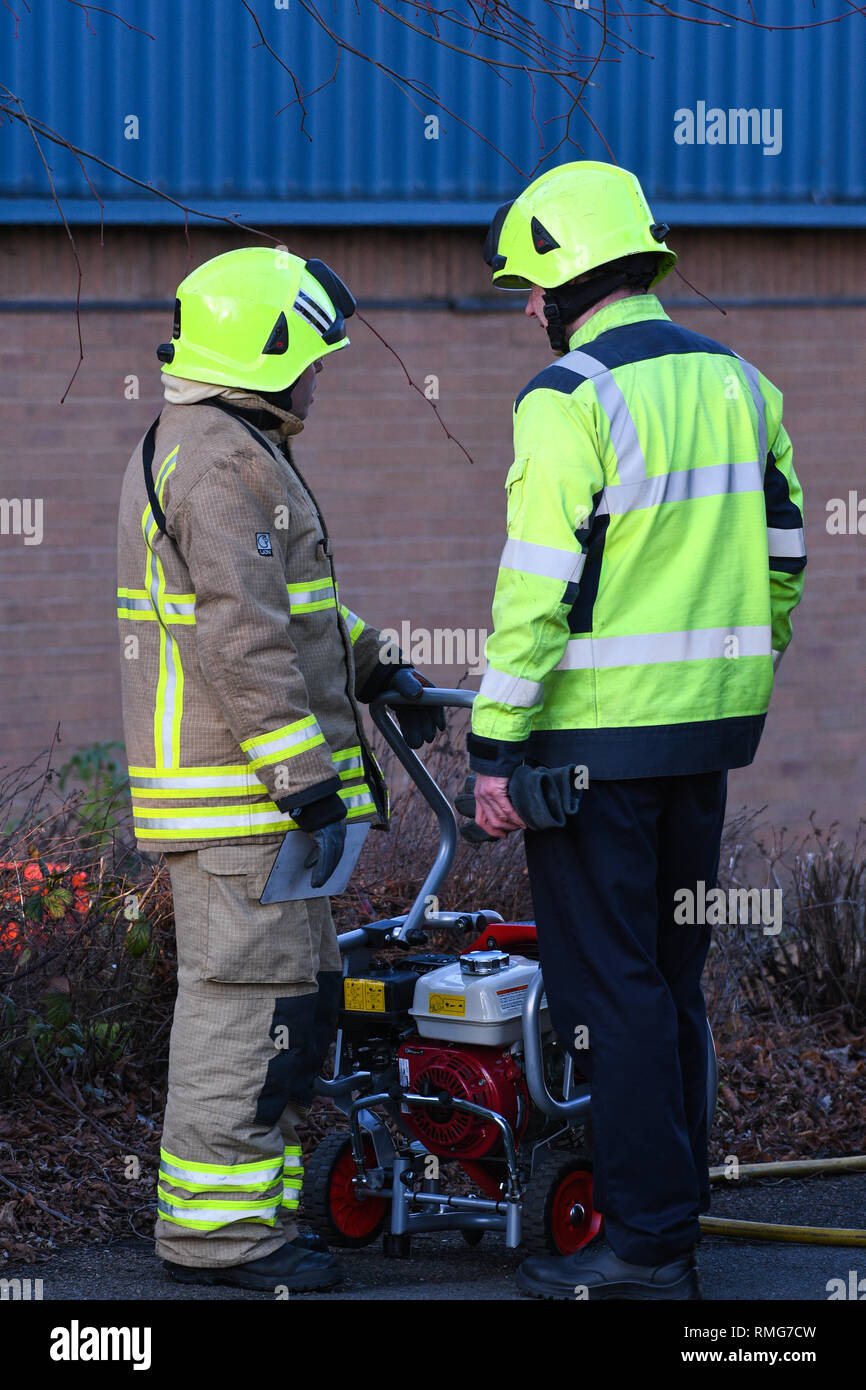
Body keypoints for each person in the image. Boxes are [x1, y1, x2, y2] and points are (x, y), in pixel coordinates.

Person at [467, 161, 806, 1300]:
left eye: (530, 284)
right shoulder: (742, 384)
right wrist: (736, 672)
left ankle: (645, 1244)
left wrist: (491, 748)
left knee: (608, 992)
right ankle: (673, 1211)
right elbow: (784, 562)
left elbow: (534, 590)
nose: (526, 308)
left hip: (590, 754)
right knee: (669, 981)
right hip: (703, 740)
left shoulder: (568, 397)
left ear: (567, 276)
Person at [116, 246, 440, 1292]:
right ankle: (221, 1240)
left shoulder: (226, 446)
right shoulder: (218, 460)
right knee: (241, 1012)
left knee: (282, 1011)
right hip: (241, 805)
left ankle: (253, 1224)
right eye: (310, 356)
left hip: (251, 806)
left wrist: (377, 668)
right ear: (267, 350)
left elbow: (293, 612)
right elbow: (242, 639)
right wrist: (304, 779)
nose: (317, 377)